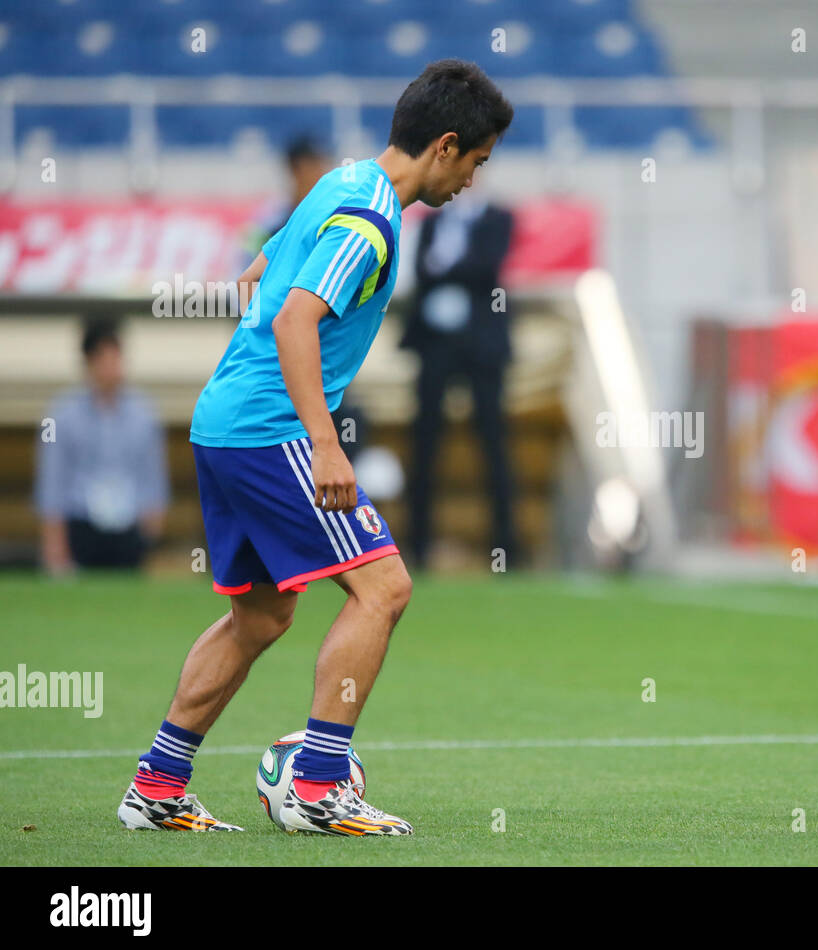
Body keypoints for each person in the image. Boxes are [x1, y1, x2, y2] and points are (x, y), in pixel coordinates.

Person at [116, 60, 512, 835]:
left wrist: (256, 374)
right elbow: (295, 318)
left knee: (260, 618)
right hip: (272, 433)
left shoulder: (340, 183)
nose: (473, 180)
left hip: (224, 424)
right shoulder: (369, 223)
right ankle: (320, 785)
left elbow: (254, 278)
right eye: (476, 161)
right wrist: (324, 447)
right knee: (385, 588)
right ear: (446, 145)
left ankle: (157, 787)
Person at [400, 189, 518, 570]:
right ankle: (417, 547)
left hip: (481, 347)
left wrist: (445, 266)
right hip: (435, 343)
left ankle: (505, 547)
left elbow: (486, 268)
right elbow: (419, 272)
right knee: (425, 443)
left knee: (493, 442)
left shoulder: (497, 218)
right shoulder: (432, 223)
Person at [35, 316, 168, 574]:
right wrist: (54, 548)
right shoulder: (60, 415)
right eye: (104, 359)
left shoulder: (144, 413)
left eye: (116, 358)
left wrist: (152, 539)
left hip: (129, 530)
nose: (113, 367)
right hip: (82, 527)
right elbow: (53, 485)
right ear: (89, 362)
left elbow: (153, 478)